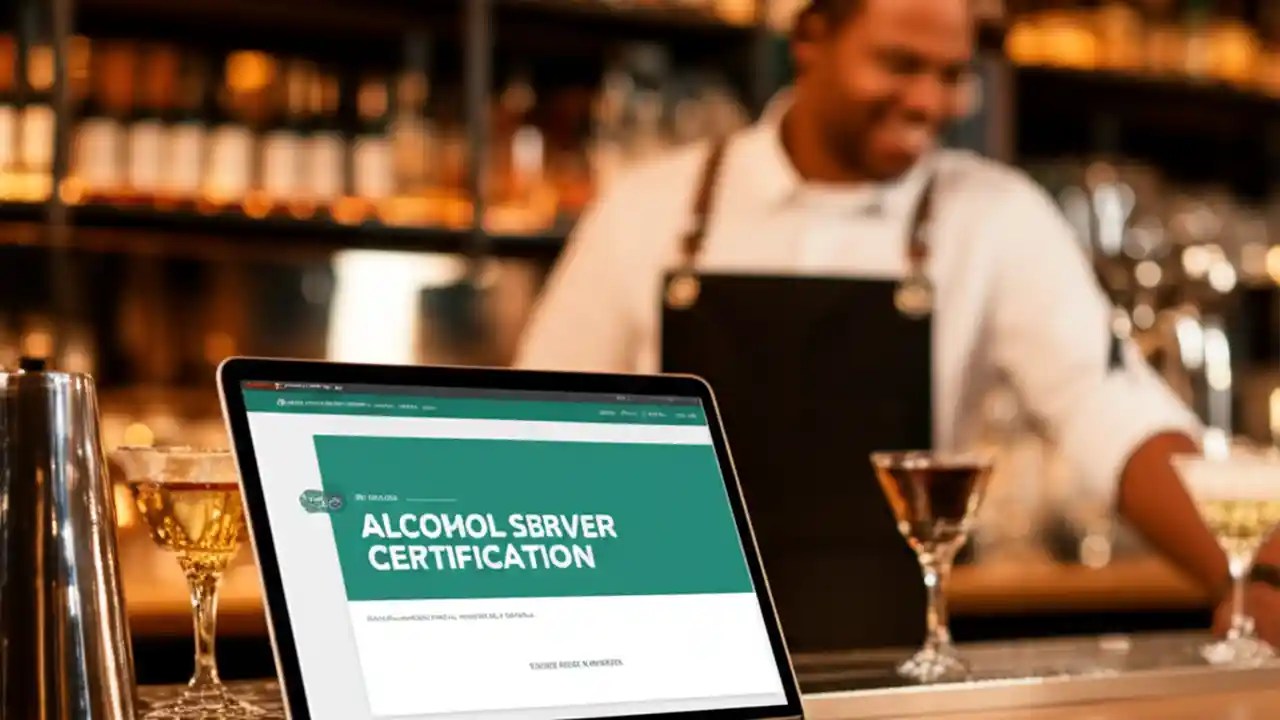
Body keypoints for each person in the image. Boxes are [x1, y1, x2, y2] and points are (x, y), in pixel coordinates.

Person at [517, 0, 1280, 649]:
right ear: (809, 38)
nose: (930, 101)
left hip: (887, 653)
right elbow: (532, 432)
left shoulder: (995, 216)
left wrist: (1253, 573)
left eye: (952, 76)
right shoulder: (650, 208)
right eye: (899, 64)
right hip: (664, 649)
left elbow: (1114, 415)